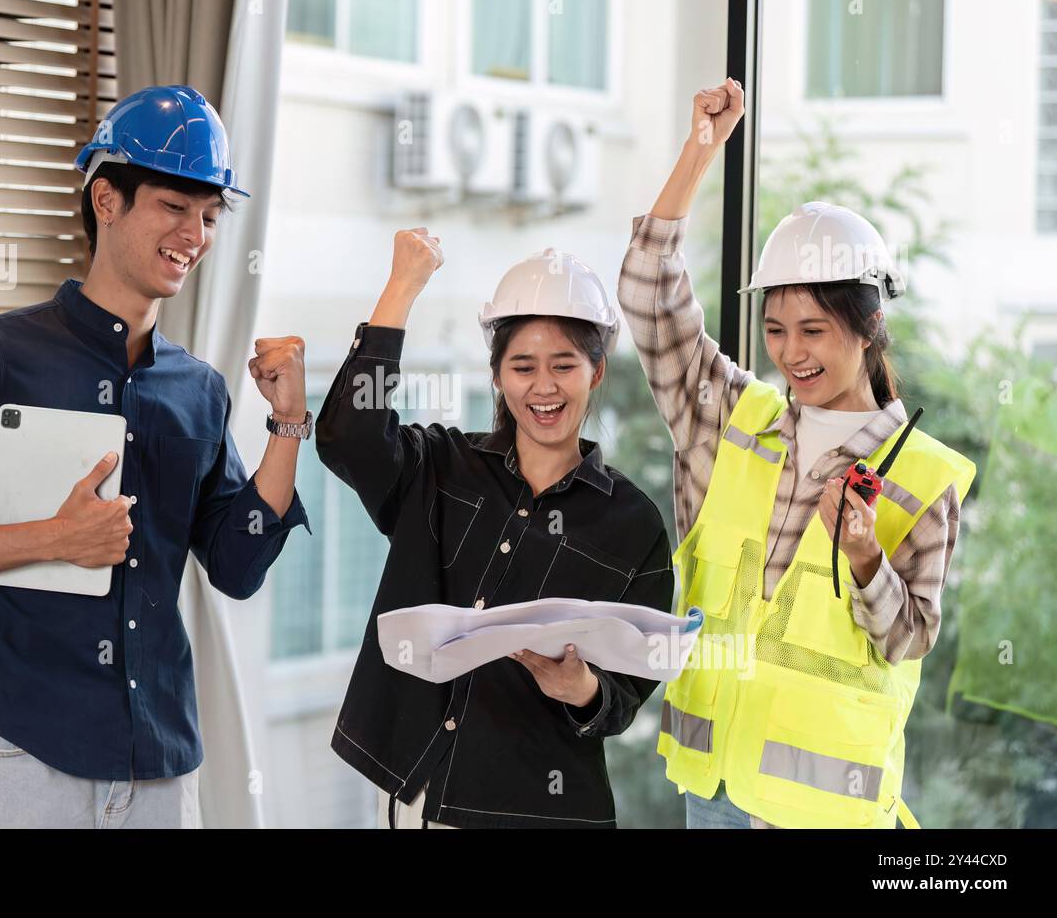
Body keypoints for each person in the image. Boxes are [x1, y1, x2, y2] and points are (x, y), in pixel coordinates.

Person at [0, 85, 312, 828]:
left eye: (210, 214)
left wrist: (287, 427)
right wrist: (51, 541)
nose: (194, 233)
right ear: (107, 199)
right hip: (20, 751)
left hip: (159, 761)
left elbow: (237, 566)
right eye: (173, 206)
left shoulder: (199, 388)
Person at [619, 79, 976, 828]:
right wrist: (700, 150)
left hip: (822, 812)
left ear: (870, 326)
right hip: (712, 793)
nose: (790, 353)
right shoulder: (729, 418)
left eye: (813, 330)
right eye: (776, 329)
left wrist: (866, 560)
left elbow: (908, 639)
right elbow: (650, 291)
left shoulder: (920, 478)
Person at [317, 228, 675, 828]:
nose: (543, 387)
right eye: (523, 366)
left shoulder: (633, 523)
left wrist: (581, 688)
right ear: (498, 376)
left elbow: (626, 693)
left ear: (595, 371)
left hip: (542, 810)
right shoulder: (439, 468)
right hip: (421, 799)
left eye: (564, 365)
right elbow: (348, 437)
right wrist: (402, 286)